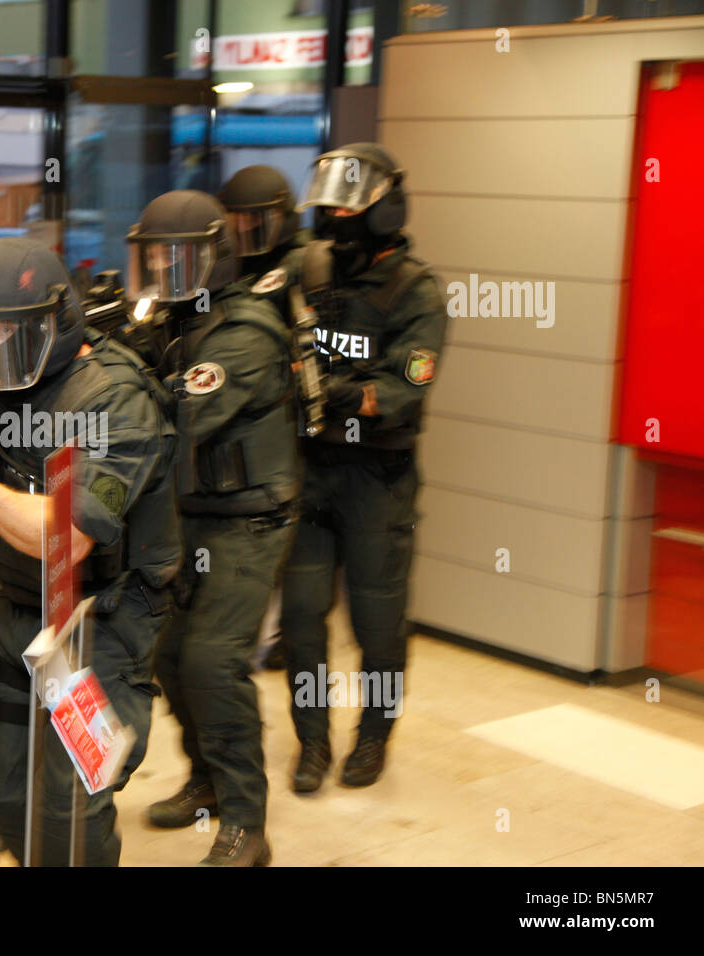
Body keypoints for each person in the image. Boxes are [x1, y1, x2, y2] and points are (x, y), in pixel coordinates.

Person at [0, 237, 180, 866]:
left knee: (71, 809)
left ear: (51, 326)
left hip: (103, 616)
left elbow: (69, 537)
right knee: (1, 796)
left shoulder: (116, 400)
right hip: (18, 605)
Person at [136, 190, 302, 866]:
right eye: (154, 257)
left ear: (215, 258)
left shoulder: (246, 334)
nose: (164, 271)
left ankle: (245, 824)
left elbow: (175, 421)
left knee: (212, 662)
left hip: (249, 523)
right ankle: (204, 778)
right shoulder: (176, 325)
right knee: (169, 657)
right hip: (190, 518)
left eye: (178, 258)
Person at [278, 143, 447, 792]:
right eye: (329, 206)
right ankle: (312, 742)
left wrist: (338, 391)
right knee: (300, 618)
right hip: (312, 470)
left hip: (377, 480)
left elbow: (402, 389)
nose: (335, 219)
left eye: (349, 207)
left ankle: (373, 738)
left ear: (386, 209)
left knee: (377, 623)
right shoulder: (309, 269)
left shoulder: (417, 291)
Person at [217, 163, 307, 673]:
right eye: (238, 222)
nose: (248, 233)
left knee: (284, 539)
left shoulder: (299, 265)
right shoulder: (235, 272)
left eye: (259, 222)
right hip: (250, 416)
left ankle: (280, 635)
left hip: (287, 418)